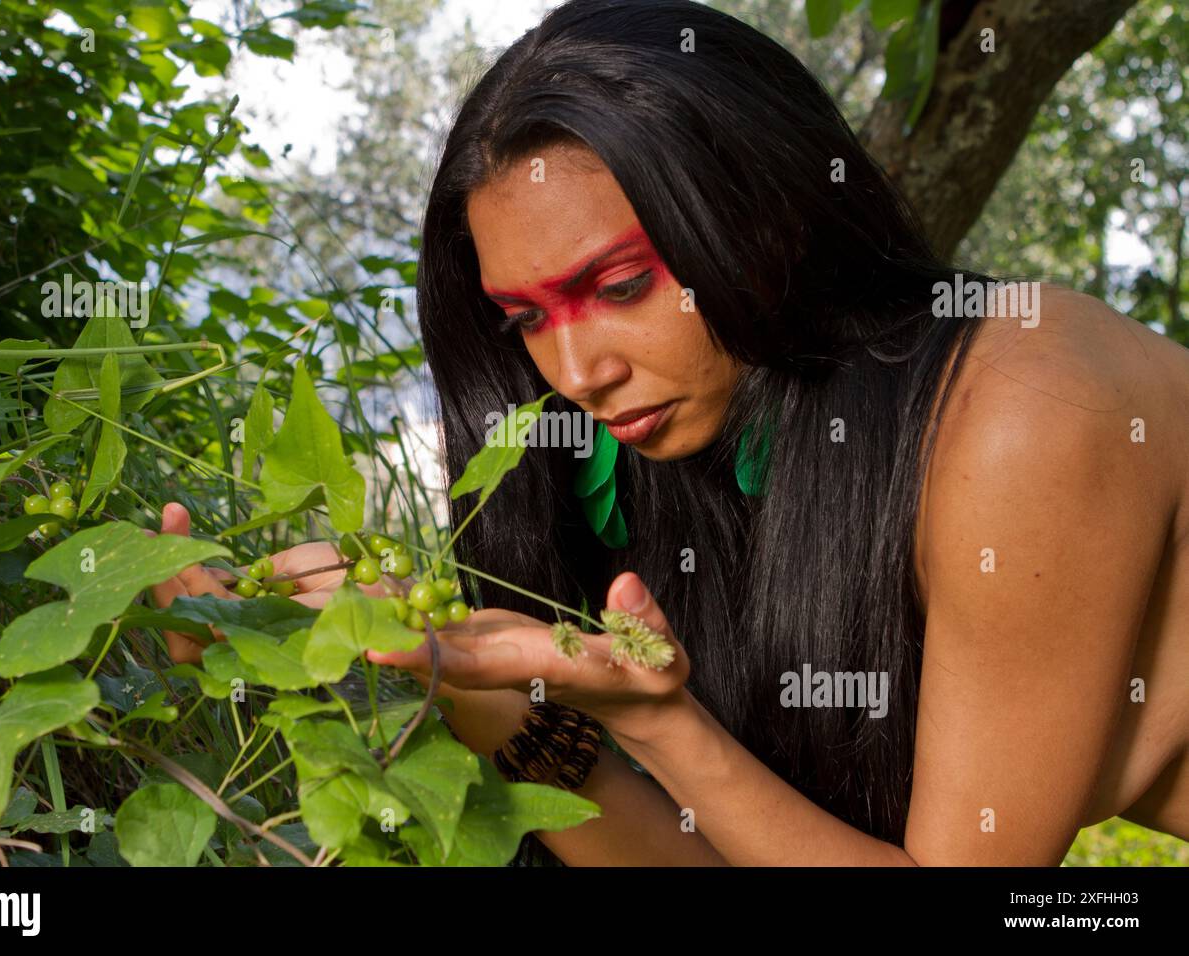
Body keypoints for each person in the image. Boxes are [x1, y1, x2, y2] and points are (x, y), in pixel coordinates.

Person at [150, 0, 1189, 865]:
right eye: (526, 320)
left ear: (763, 216)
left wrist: (661, 723)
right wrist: (478, 697)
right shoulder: (723, 450)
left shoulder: (1022, 410)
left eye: (621, 285)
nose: (575, 373)